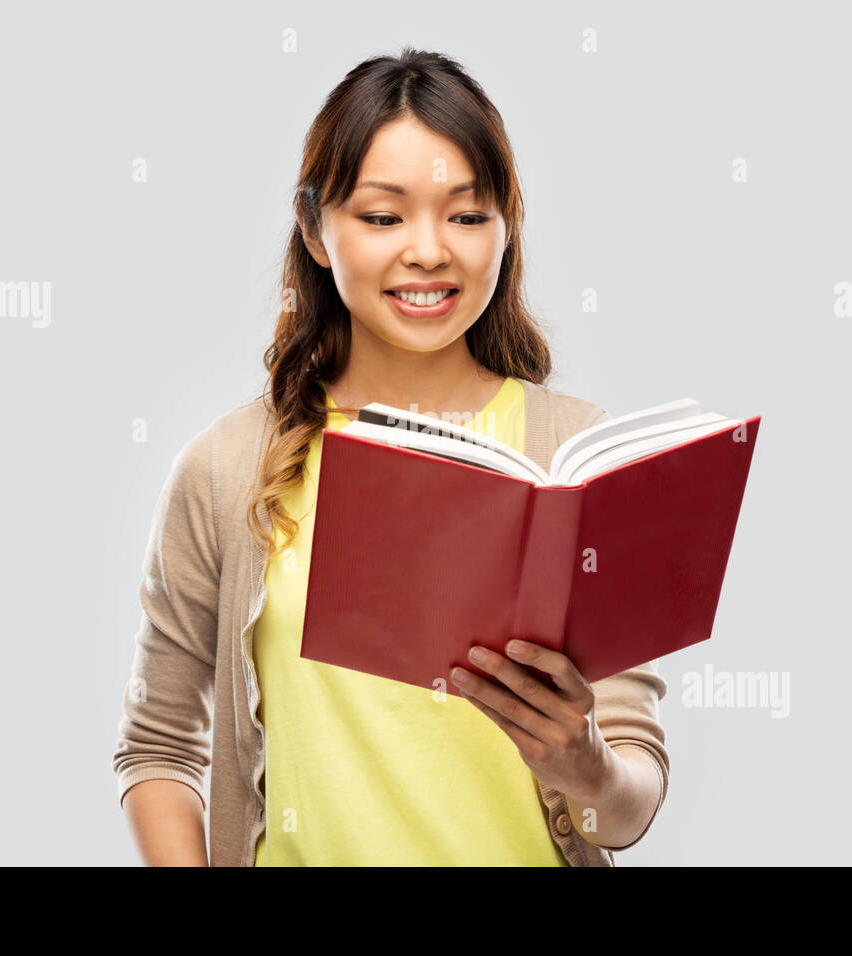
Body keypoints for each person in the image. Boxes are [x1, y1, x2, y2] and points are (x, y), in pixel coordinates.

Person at [113, 47, 670, 866]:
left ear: (506, 229)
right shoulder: (227, 468)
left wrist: (585, 766)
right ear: (315, 229)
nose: (429, 251)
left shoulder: (578, 457)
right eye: (383, 217)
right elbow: (159, 746)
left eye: (467, 216)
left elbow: (626, 805)